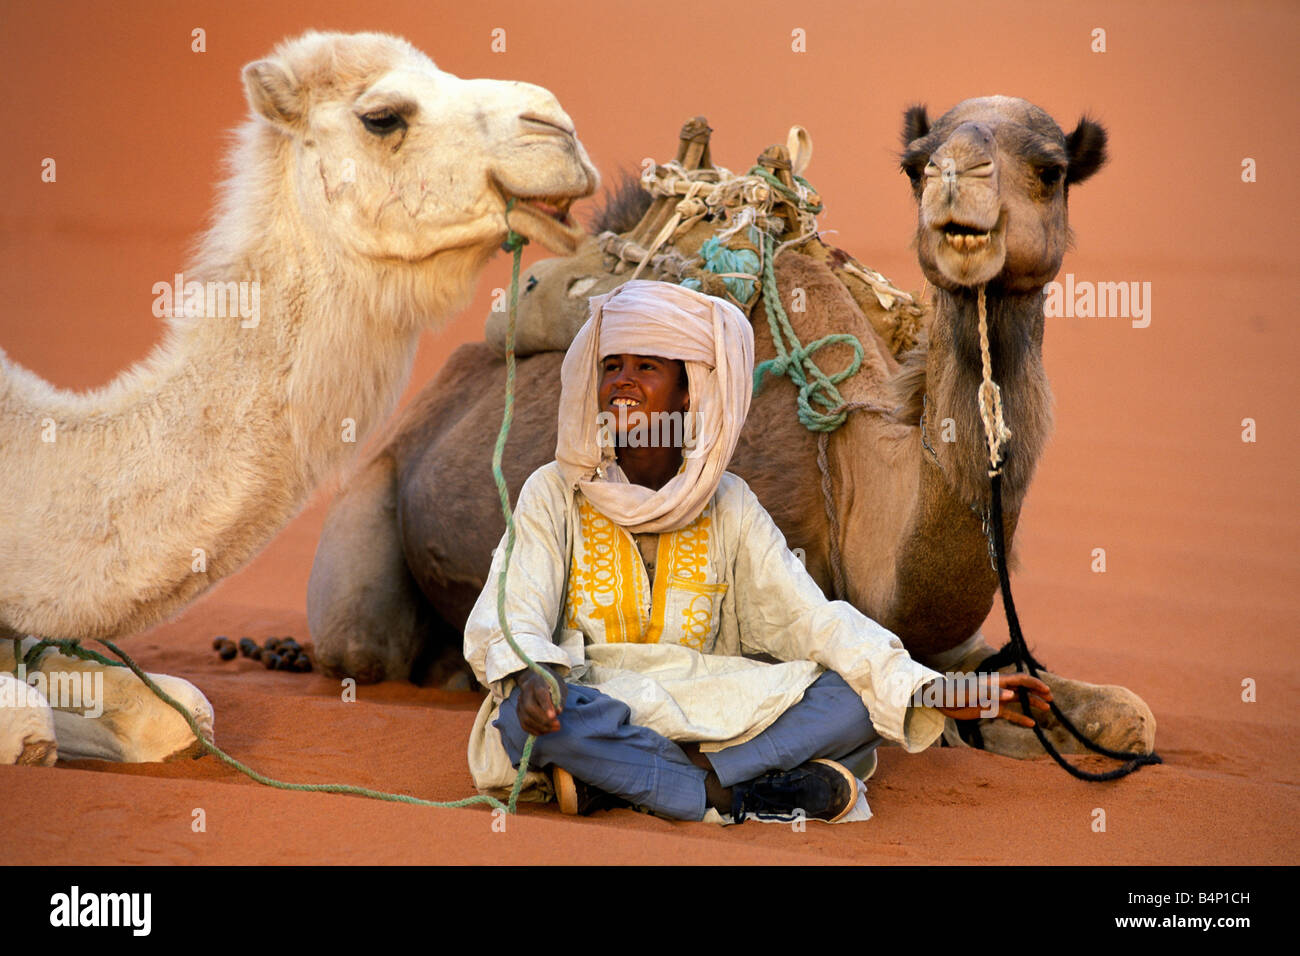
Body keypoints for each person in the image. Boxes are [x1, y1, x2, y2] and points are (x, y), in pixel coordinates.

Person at [463, 280, 1049, 824]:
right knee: (524, 721)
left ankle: (639, 783)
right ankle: (736, 793)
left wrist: (934, 688)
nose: (622, 382)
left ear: (690, 388)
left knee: (852, 701)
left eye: (647, 367)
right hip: (597, 695)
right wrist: (532, 673)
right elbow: (514, 606)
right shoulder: (553, 492)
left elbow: (810, 619)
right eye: (611, 366)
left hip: (713, 703)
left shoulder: (730, 504)